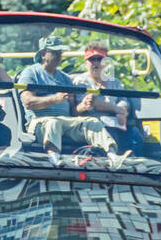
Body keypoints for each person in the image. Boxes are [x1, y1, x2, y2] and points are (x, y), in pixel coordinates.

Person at [17, 35, 129, 168]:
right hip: (39, 122)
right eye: (54, 52)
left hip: (67, 121)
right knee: (54, 122)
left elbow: (73, 112)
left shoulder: (65, 78)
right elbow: (28, 102)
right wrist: (56, 98)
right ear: (42, 54)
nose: (59, 55)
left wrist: (84, 106)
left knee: (92, 122)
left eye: (60, 52)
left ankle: (112, 156)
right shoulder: (30, 73)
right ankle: (54, 158)